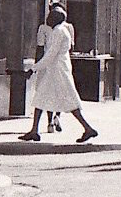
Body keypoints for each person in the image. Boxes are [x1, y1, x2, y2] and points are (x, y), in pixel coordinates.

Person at [18, 7, 98, 143]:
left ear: (57, 19)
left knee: (69, 101)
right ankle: (34, 131)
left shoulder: (58, 31)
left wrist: (34, 68)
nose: (48, 19)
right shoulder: (60, 30)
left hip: (58, 71)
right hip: (56, 70)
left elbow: (50, 54)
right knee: (41, 98)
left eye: (51, 16)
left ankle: (88, 128)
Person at [36, 0, 73, 134]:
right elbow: (70, 49)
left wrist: (35, 67)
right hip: (57, 65)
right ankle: (52, 119)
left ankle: (51, 120)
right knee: (46, 95)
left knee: (46, 95)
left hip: (52, 65)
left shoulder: (56, 29)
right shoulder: (65, 28)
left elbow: (46, 50)